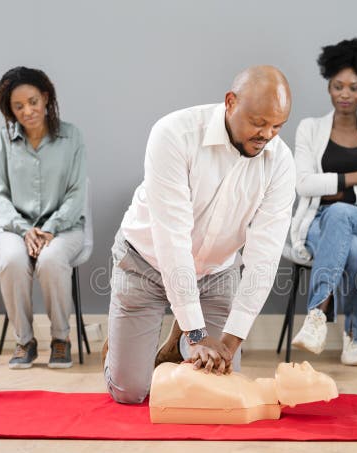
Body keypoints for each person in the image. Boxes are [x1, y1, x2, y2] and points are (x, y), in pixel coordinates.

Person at [103, 66, 296, 404]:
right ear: (230, 102)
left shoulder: (280, 162)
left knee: (218, 380)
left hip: (215, 273)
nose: (266, 134)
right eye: (258, 122)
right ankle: (122, 350)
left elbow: (264, 256)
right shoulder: (173, 134)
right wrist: (197, 334)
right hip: (144, 261)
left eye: (277, 126)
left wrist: (231, 343)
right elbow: (172, 239)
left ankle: (176, 340)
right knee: (130, 392)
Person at [288, 38, 357, 365]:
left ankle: (315, 316)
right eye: (338, 86)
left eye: (353, 87)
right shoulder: (310, 128)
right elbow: (303, 184)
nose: (345, 94)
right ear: (328, 87)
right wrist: (354, 178)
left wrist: (340, 195)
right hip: (318, 222)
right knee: (350, 247)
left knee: (341, 212)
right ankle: (356, 337)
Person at [0, 66, 86, 369]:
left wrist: (50, 228)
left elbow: (76, 193)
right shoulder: (1, 141)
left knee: (51, 260)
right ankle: (24, 341)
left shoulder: (71, 137)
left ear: (45, 97)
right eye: (18, 106)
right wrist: (24, 230)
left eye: (32, 101)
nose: (27, 111)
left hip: (64, 227)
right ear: (10, 110)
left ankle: (61, 339)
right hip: (13, 228)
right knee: (13, 262)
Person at [149, 361, 338, 424]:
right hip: (165, 371)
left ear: (294, 398)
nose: (307, 365)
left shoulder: (242, 399)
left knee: (130, 392)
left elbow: (184, 377)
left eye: (313, 376)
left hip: (162, 379)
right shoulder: (247, 386)